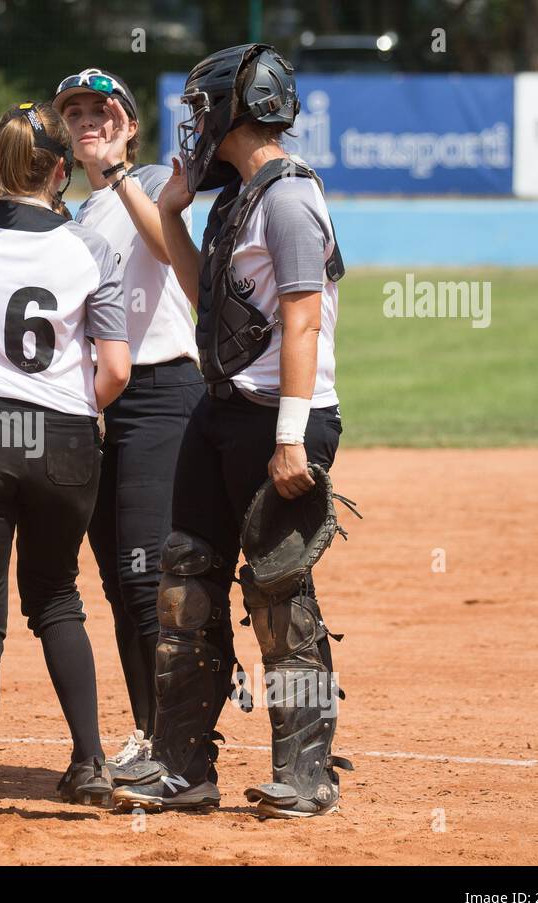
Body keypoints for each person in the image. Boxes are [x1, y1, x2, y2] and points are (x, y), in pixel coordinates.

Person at [111, 45, 352, 818]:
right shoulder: (234, 200)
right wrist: (172, 210)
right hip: (218, 411)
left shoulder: (287, 198)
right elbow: (195, 288)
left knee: (281, 596)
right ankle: (185, 768)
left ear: (228, 110)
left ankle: (308, 775)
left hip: (281, 417)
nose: (191, 126)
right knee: (186, 586)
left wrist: (290, 439)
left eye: (198, 111)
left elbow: (303, 318)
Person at [0, 102, 132, 831]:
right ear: (57, 170)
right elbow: (115, 369)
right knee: (56, 596)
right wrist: (75, 413)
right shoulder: (88, 250)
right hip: (61, 435)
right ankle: (91, 762)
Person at [52, 68, 203, 782]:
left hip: (161, 394)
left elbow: (173, 253)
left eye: (102, 108)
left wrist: (118, 175)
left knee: (149, 578)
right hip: (98, 400)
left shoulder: (149, 183)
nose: (87, 118)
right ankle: (149, 735)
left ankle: (174, 745)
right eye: (73, 110)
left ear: (130, 123)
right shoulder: (78, 215)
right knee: (118, 578)